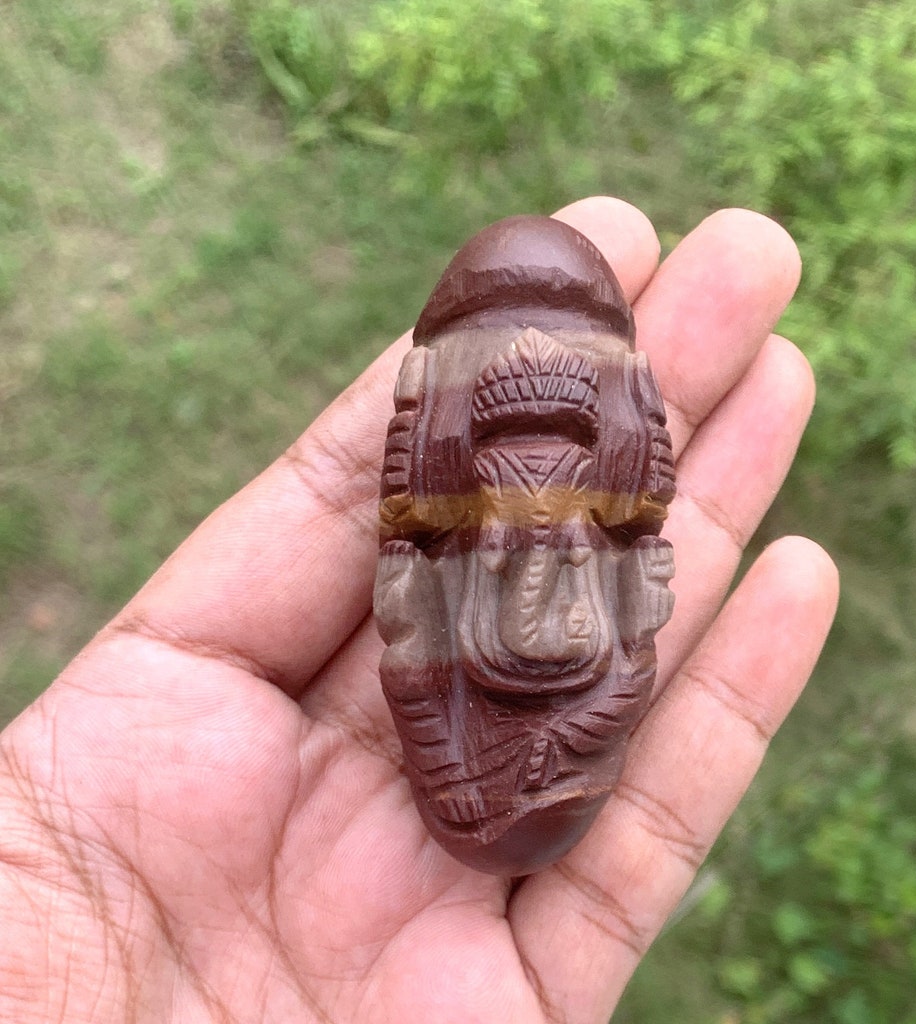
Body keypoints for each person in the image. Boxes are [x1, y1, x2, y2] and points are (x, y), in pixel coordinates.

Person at [0, 197, 838, 1023]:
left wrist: (558, 739)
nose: (542, 524)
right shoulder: (441, 587)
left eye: (564, 494)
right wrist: (463, 773)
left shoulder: (605, 572)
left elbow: (627, 663)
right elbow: (417, 672)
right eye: (510, 487)